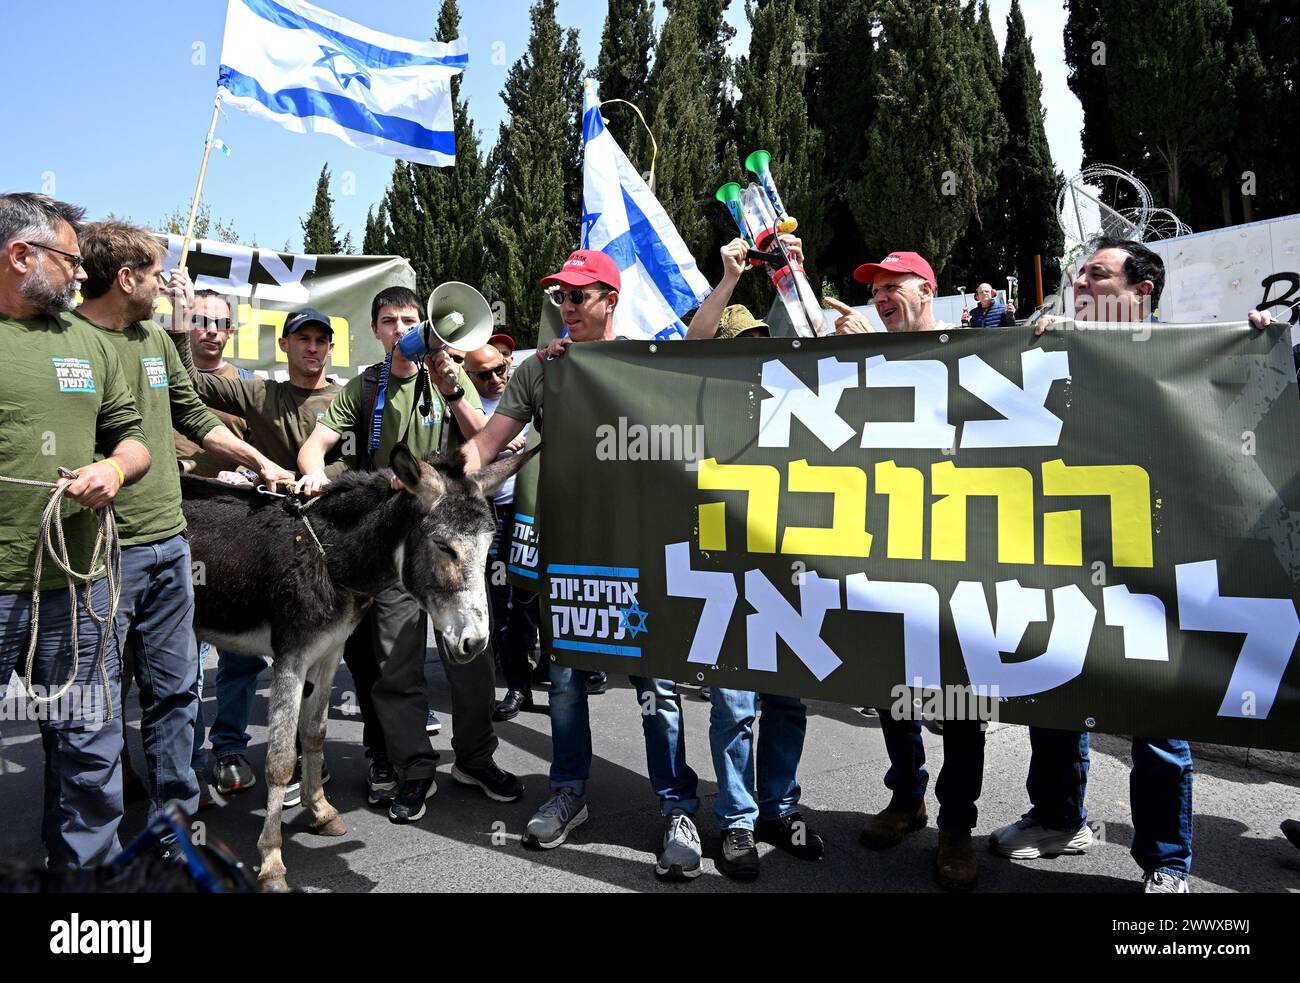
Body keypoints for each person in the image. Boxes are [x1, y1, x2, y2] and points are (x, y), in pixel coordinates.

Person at [72, 219, 293, 820]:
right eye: (154, 274)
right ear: (125, 278)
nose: (167, 286)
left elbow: (193, 412)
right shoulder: (64, 340)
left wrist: (260, 461)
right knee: (97, 700)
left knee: (177, 691)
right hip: (99, 552)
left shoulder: (154, 340)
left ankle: (177, 820)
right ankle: (97, 825)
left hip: (171, 543)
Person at [1000, 236, 1194, 894]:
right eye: (1076, 275)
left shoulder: (1196, 356)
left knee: (1159, 719)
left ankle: (1167, 861)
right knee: (1053, 690)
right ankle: (1059, 819)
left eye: (1098, 275)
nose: (1079, 284)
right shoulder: (1057, 353)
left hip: (1158, 566)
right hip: (1065, 551)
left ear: (1142, 292)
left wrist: (1257, 347)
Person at [297, 286, 520, 823]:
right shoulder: (364, 386)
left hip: (450, 539)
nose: (401, 328)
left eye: (409, 319)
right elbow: (315, 446)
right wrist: (309, 472)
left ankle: (474, 758)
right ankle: (414, 768)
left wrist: (453, 391)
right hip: (397, 547)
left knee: (470, 655)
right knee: (396, 662)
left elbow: (485, 440)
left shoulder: (448, 375)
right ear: (375, 330)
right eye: (389, 321)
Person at [0, 192, 151, 867]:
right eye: (69, 259)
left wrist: (114, 473)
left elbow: (138, 442)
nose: (82, 274)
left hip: (77, 596)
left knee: (90, 753)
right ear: (20, 255)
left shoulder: (90, 343)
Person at [826, 250, 985, 891]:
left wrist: (882, 361)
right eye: (876, 289)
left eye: (895, 286)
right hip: (887, 550)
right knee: (895, 687)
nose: (884, 296)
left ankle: (958, 825)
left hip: (962, 556)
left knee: (962, 696)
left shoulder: (972, 351)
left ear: (930, 290)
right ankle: (907, 798)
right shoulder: (866, 355)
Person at [167, 305, 348, 802]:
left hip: (324, 552)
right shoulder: (258, 392)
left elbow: (355, 463)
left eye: (321, 340)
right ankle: (227, 750)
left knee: (318, 661)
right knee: (240, 658)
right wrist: (182, 323)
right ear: (284, 346)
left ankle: (304, 761)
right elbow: (188, 385)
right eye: (302, 339)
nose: (312, 348)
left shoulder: (346, 400)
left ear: (331, 347)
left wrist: (322, 479)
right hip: (259, 543)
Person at [462, 344, 538, 722]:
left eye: (499, 369)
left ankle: (565, 671)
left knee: (537, 599)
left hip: (533, 512)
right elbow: (473, 447)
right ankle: (517, 687)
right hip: (491, 516)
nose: (495, 379)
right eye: (484, 375)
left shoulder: (530, 389)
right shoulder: (464, 408)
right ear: (468, 376)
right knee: (503, 602)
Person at [173, 290, 254, 477]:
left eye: (222, 324)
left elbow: (267, 447)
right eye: (201, 321)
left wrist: (245, 475)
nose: (212, 330)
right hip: (165, 494)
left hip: (224, 499)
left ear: (230, 331)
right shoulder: (162, 375)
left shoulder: (250, 385)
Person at [826, 251, 955, 335]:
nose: (878, 299)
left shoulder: (963, 347)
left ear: (925, 291)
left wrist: (872, 345)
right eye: (875, 292)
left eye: (891, 287)